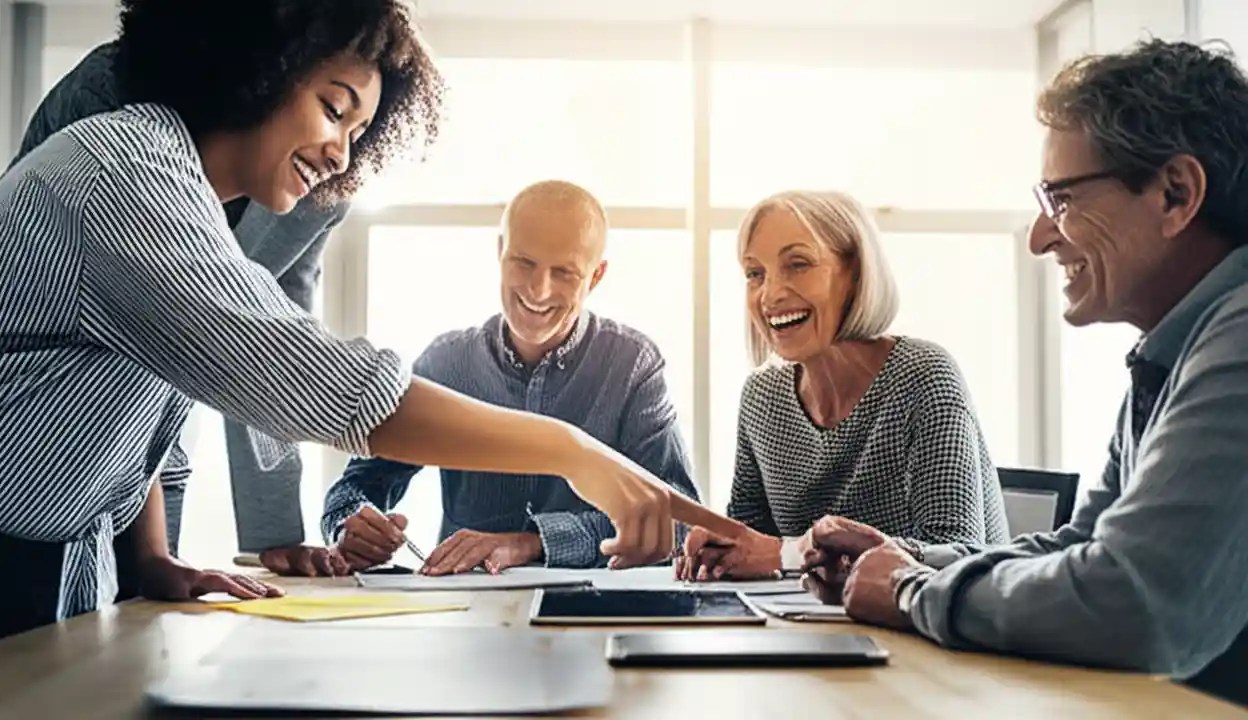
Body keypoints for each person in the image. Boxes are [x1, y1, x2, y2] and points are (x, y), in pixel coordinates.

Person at [0, 0, 731, 649]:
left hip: (66, 561)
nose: (340, 154)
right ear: (260, 60)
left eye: (359, 133)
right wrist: (571, 450)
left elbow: (142, 397)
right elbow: (313, 381)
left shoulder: (173, 186)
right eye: (335, 109)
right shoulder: (123, 173)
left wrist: (152, 558)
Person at [794, 40, 1248, 707]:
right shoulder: (1174, 350)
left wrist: (907, 589)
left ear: (1176, 194)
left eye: (1060, 199)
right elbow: (1081, 545)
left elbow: (1129, 601)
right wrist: (908, 558)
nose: (1040, 237)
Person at [11, 40, 344, 580]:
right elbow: (104, 303)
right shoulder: (119, 96)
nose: (342, 153)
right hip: (39, 443)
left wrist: (275, 535)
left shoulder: (321, 180)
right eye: (335, 109)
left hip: (151, 447)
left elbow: (276, 337)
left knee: (142, 616)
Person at [260, 180, 700, 577]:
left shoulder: (633, 365)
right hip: (460, 612)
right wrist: (352, 523)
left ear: (596, 276)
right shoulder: (447, 362)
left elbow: (680, 519)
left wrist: (530, 544)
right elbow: (356, 485)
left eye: (564, 272)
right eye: (523, 262)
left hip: (587, 615)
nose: (538, 290)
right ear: (499, 251)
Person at [675, 190, 1008, 581]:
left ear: (855, 273)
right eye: (754, 273)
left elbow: (959, 552)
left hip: (933, 632)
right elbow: (755, 542)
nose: (770, 294)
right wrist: (721, 551)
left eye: (797, 264)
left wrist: (789, 554)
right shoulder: (761, 398)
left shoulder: (923, 376)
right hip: (810, 630)